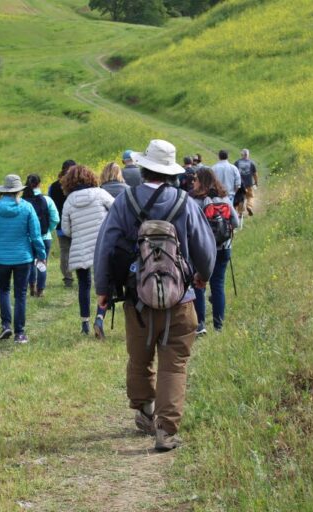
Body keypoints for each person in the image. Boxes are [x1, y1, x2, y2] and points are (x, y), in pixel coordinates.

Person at [94, 139, 216, 452]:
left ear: (145, 167)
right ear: (170, 171)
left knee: (139, 355)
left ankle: (144, 411)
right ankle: (166, 430)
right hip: (181, 298)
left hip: (137, 299)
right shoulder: (184, 202)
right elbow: (205, 248)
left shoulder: (126, 201)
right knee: (174, 364)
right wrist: (202, 277)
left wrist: (103, 291)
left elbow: (105, 246)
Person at [0, 174, 47, 344]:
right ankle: (19, 332)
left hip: (2, 258)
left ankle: (5, 325)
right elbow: (35, 235)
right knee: (20, 294)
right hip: (23, 257)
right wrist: (41, 255)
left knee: (3, 291)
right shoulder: (27, 207)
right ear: (19, 191)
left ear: (4, 191)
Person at [60, 165, 114, 335]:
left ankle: (85, 323)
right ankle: (100, 317)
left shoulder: (69, 200)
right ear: (91, 176)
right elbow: (117, 211)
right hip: (102, 246)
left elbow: (66, 230)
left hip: (80, 247)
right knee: (104, 283)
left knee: (84, 284)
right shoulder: (101, 193)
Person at [189, 167, 240, 335]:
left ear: (201, 181)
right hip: (223, 248)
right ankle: (218, 326)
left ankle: (200, 325)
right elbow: (236, 223)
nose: (193, 182)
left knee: (198, 285)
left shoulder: (194, 200)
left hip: (202, 250)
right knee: (218, 285)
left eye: (195, 179)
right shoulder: (224, 198)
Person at [23, 174, 59, 297]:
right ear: (39, 184)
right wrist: (48, 229)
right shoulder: (47, 200)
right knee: (41, 262)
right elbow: (55, 218)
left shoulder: (23, 201)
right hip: (44, 237)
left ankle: (32, 286)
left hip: (28, 238)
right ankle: (40, 290)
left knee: (30, 263)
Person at [48, 160, 76, 288]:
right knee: (79, 249)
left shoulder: (53, 186)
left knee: (65, 251)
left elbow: (51, 205)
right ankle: (83, 275)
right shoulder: (76, 185)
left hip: (60, 224)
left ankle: (68, 278)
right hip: (76, 222)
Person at [235, 148, 259, 216]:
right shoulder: (252, 163)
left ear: (241, 155)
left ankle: (240, 212)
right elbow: (255, 174)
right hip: (249, 184)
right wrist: (256, 182)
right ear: (248, 155)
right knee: (250, 197)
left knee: (240, 197)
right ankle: (249, 206)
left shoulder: (237, 162)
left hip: (239, 184)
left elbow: (234, 172)